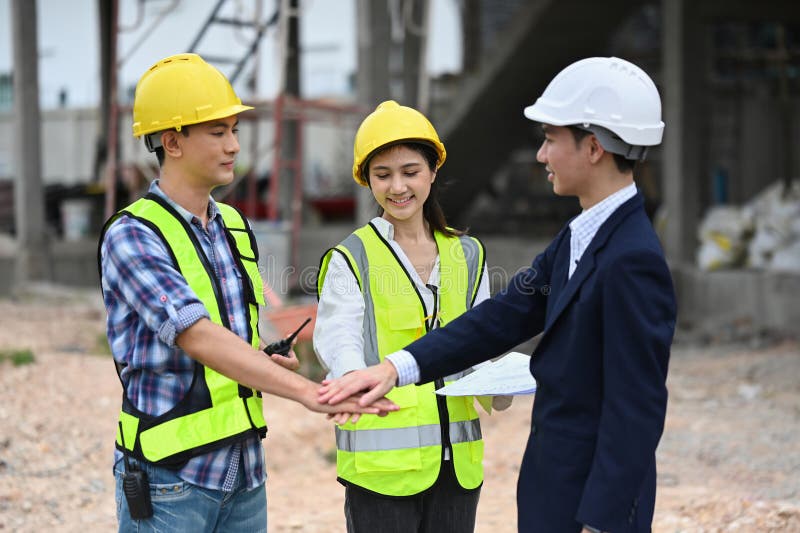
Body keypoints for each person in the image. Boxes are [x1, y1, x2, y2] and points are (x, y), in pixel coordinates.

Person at [319, 57, 678, 533]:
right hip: (553, 492)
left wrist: (603, 522)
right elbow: (501, 318)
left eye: (550, 139)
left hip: (587, 510)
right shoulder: (579, 237)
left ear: (592, 147)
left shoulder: (632, 259)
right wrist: (393, 368)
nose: (540, 155)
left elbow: (636, 407)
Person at [98, 53, 396, 532]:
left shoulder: (234, 226)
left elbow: (233, 334)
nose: (234, 146)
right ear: (172, 141)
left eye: (235, 131)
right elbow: (196, 335)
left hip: (244, 472)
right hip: (170, 478)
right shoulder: (133, 235)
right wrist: (307, 393)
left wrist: (263, 356)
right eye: (218, 133)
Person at [313, 100, 510, 533]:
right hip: (382, 469)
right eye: (383, 175)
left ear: (432, 171)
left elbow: (483, 337)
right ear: (367, 180)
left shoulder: (467, 254)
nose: (398, 187)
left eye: (410, 171)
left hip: (457, 465)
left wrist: (499, 381)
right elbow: (338, 338)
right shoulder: (354, 257)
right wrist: (351, 381)